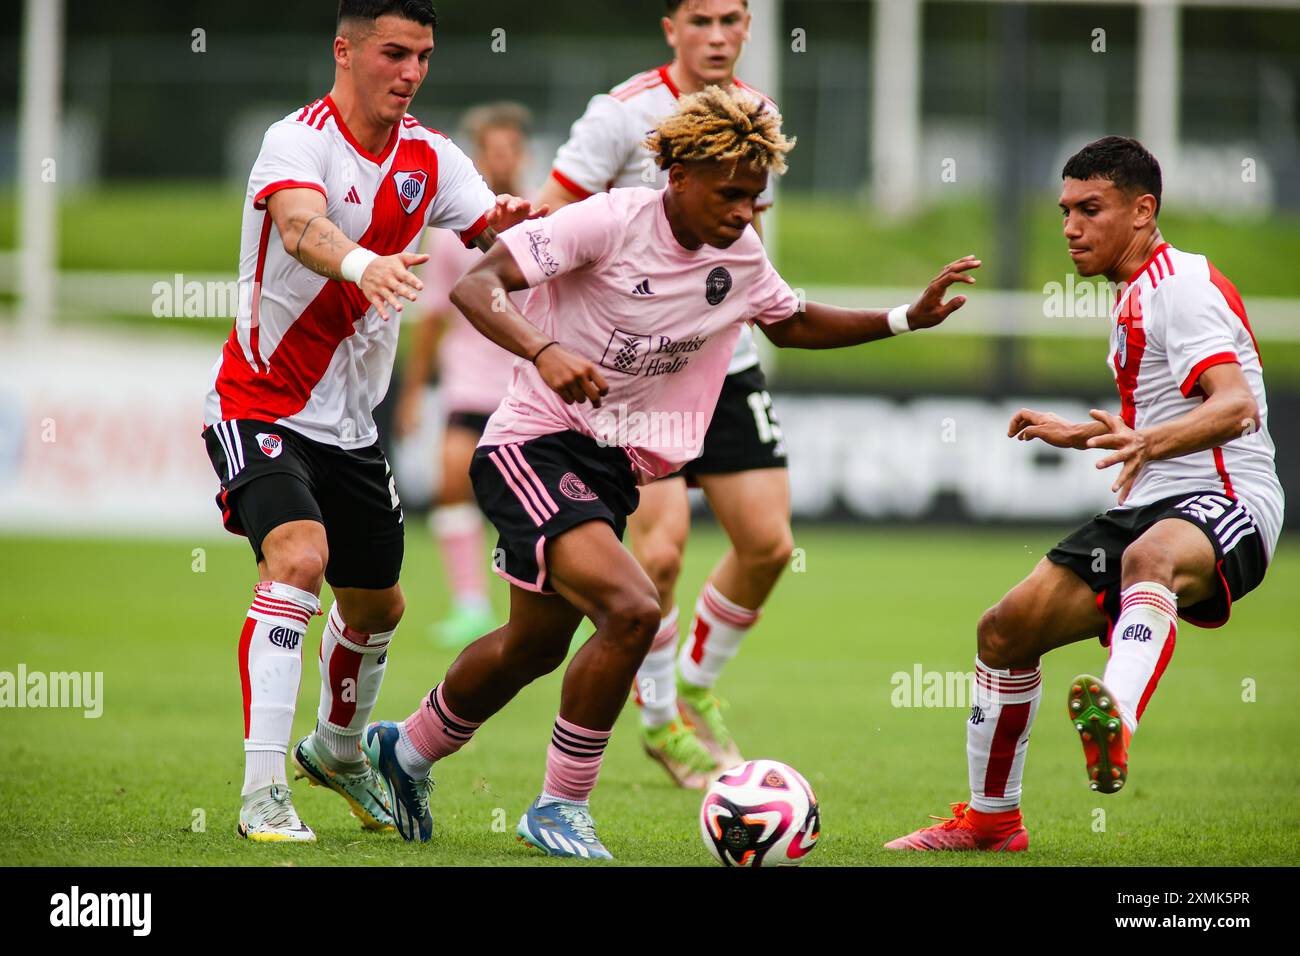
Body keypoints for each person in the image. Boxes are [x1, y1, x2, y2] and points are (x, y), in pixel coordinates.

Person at [365, 85, 980, 858]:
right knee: (632, 610)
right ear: (678, 176)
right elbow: (475, 285)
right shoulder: (609, 219)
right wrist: (545, 351)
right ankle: (559, 806)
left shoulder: (741, 252)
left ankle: (407, 749)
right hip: (534, 444)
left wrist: (902, 319)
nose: (745, 212)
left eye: (756, 197)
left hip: (614, 464)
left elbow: (788, 323)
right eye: (730, 194)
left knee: (534, 646)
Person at [200, 0, 540, 842]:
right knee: (299, 557)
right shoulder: (297, 140)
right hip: (262, 401)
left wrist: (525, 223)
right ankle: (261, 792)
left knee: (380, 607)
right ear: (345, 50)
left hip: (351, 428)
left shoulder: (431, 153)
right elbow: (300, 224)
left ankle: (340, 748)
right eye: (395, 53)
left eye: (424, 55)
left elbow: (485, 219)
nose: (412, 72)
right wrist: (365, 264)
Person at [886, 136, 1282, 853]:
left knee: (1150, 560)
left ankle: (1116, 718)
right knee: (1003, 631)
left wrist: (1147, 442)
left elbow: (1237, 407)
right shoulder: (1135, 290)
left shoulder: (1181, 285)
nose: (1070, 225)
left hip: (1230, 498)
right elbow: (1171, 410)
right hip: (1157, 497)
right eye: (1065, 209)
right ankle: (991, 822)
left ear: (1142, 211)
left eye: (1089, 209)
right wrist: (1087, 433)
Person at [535, 0, 788, 789]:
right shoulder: (620, 114)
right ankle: (658, 721)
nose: (718, 36)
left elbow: (745, 237)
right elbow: (551, 215)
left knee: (770, 545)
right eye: (702, 20)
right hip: (646, 368)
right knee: (666, 550)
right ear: (670, 27)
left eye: (733, 20)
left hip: (728, 354)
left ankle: (693, 684)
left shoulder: (758, 114)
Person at [396, 102, 534, 648]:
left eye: (509, 149)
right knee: (453, 481)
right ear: (479, 155)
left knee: (531, 497)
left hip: (527, 384)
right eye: (491, 149)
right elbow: (433, 317)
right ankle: (471, 605)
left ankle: (541, 604)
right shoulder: (451, 231)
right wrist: (412, 392)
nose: (500, 158)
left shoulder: (544, 221)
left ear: (521, 154)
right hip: (468, 383)